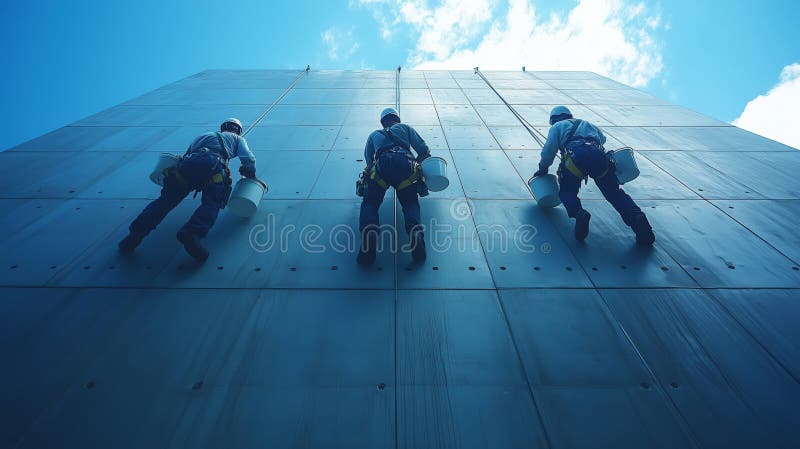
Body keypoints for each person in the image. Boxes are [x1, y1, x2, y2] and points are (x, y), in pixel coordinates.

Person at [118, 118, 257, 262]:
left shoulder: (203, 136)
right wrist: (250, 173)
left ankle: (135, 234)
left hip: (186, 166)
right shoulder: (236, 138)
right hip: (212, 164)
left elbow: (185, 157)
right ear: (237, 130)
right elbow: (248, 158)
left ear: (224, 127)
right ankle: (192, 233)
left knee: (165, 202)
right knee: (213, 202)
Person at [533, 106, 655, 245]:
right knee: (614, 194)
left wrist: (543, 168)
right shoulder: (588, 124)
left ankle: (579, 213)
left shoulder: (557, 127)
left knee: (567, 191)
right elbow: (602, 140)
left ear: (553, 120)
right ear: (570, 116)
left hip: (575, 157)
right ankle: (637, 217)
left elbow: (549, 150)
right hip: (599, 156)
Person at [358, 107, 432, 265]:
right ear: (397, 119)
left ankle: (369, 235)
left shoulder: (374, 134)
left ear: (382, 121)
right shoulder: (405, 128)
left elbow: (369, 160)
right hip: (405, 163)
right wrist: (418, 165)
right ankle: (415, 234)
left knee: (370, 203)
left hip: (382, 165)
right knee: (410, 203)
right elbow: (423, 149)